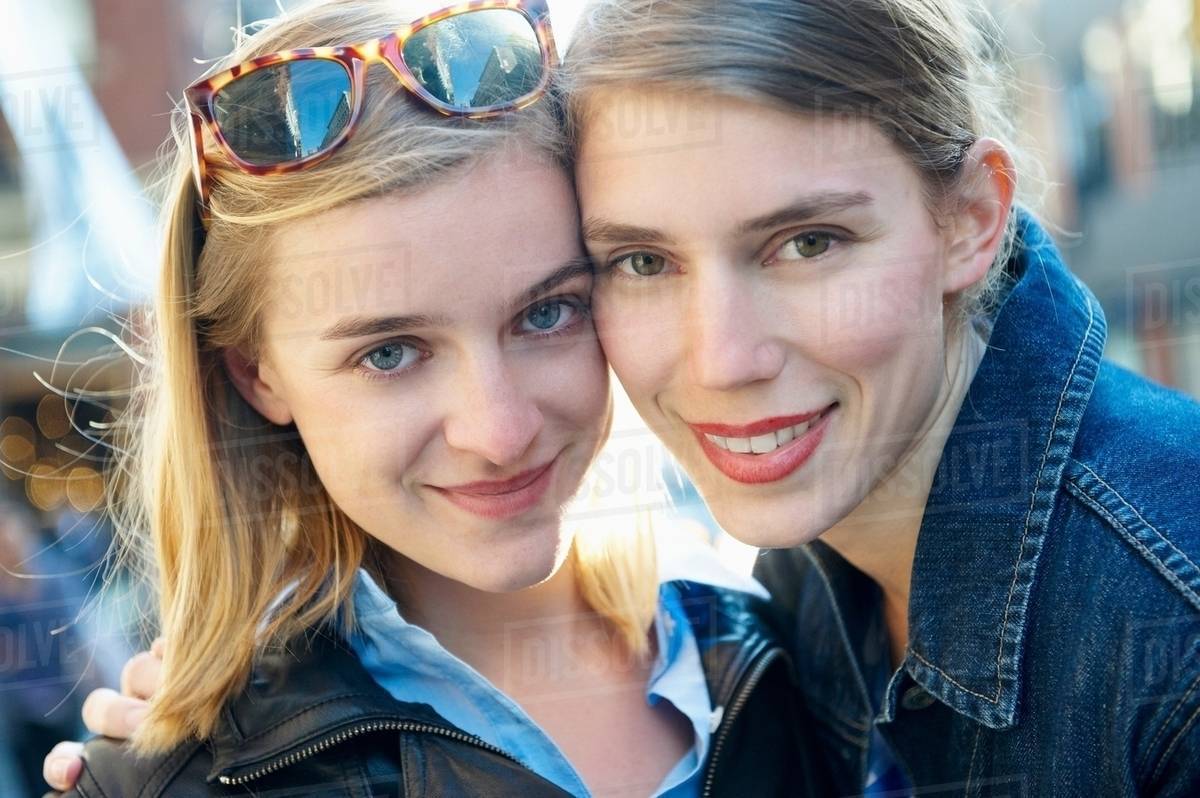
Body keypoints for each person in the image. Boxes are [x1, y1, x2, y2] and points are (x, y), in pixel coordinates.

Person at [38, 1, 807, 795]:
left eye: (546, 313)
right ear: (255, 374)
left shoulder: (798, 640)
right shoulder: (176, 779)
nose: (500, 432)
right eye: (390, 354)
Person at [562, 0, 1200, 794]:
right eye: (643, 263)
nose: (724, 361)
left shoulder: (1174, 635)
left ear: (970, 219)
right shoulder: (810, 562)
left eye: (808, 244)